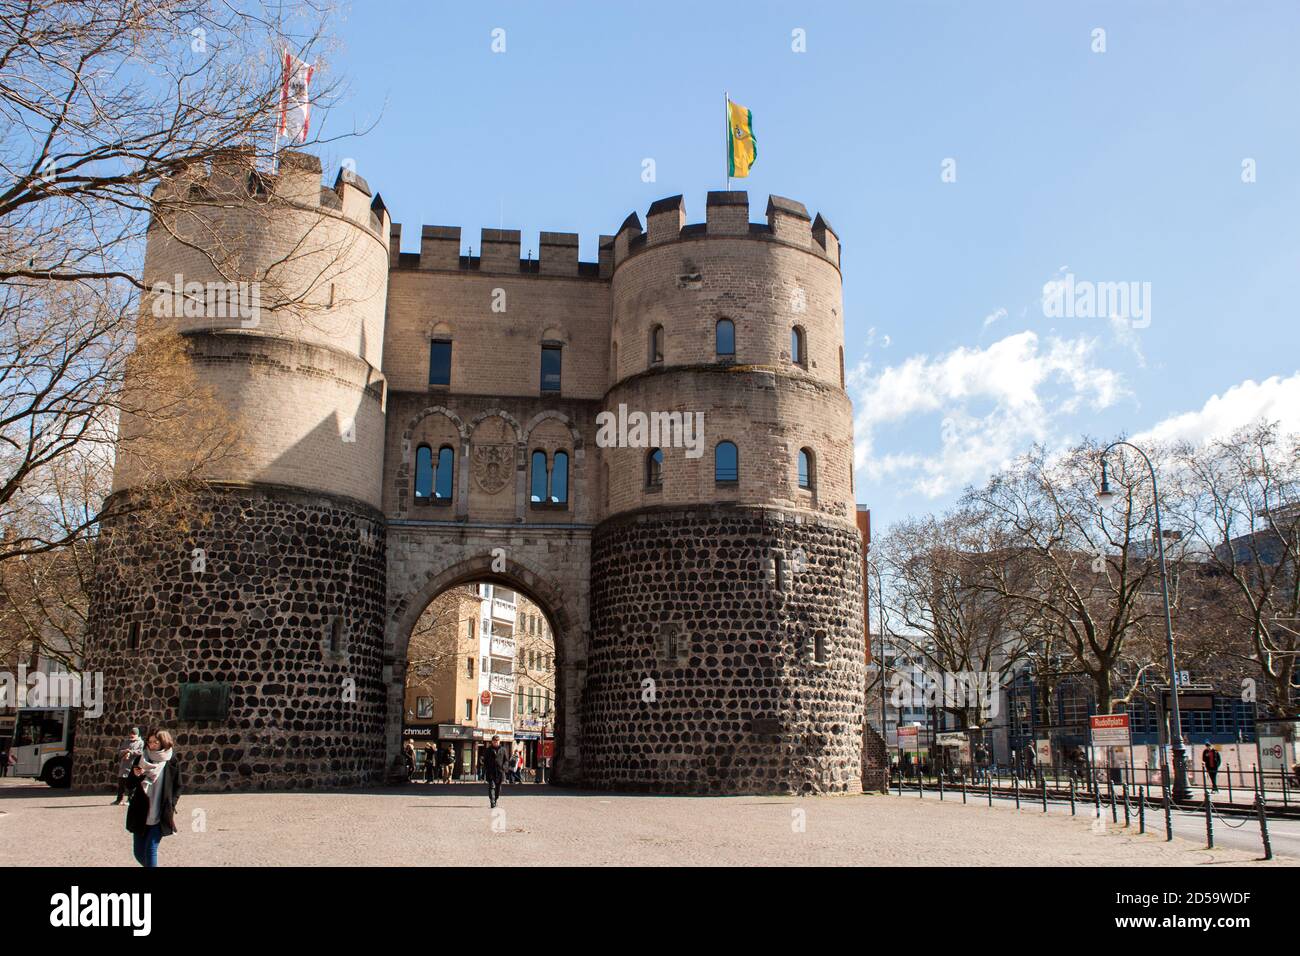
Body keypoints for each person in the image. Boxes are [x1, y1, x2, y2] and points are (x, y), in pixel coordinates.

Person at [123, 729, 180, 868]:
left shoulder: (171, 761)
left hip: (159, 813)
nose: (152, 745)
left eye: (156, 742)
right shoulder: (141, 759)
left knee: (150, 849)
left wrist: (171, 805)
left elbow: (178, 786)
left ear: (164, 742)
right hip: (140, 813)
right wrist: (137, 775)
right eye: (150, 742)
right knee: (138, 852)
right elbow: (129, 785)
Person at [113, 727, 144, 805]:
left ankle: (130, 800)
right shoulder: (126, 742)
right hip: (124, 766)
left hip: (133, 766)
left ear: (137, 734)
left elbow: (141, 752)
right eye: (131, 734)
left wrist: (131, 752)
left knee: (132, 785)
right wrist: (125, 752)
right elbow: (120, 752)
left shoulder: (141, 742)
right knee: (121, 785)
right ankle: (119, 800)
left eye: (133, 734)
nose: (132, 735)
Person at [481, 735, 505, 808]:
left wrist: (504, 768)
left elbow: (506, 760)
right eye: (494, 742)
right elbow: (485, 761)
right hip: (491, 771)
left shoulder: (503, 749)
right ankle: (492, 801)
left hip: (500, 772)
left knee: (498, 788)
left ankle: (496, 798)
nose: (496, 743)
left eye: (497, 741)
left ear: (499, 741)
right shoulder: (488, 750)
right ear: (492, 742)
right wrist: (485, 770)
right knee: (492, 786)